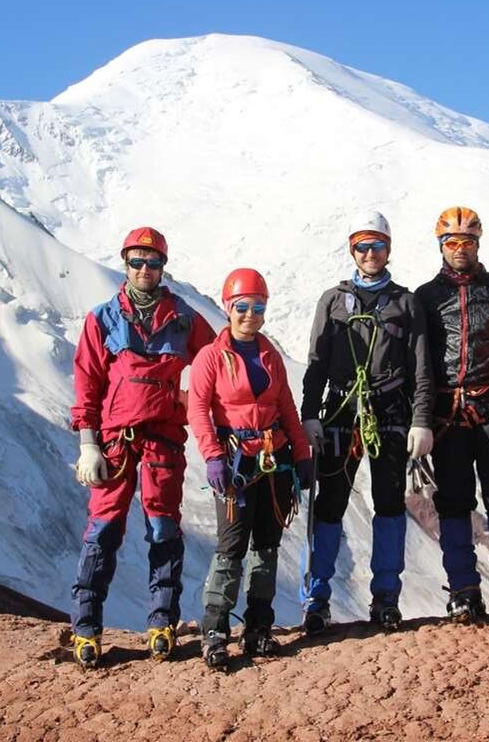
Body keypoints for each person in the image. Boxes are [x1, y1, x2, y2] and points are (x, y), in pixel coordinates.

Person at [68, 227, 216, 670]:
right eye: (137, 261)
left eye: (152, 262)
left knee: (163, 529)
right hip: (114, 441)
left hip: (163, 439)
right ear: (125, 264)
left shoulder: (184, 318)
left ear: (163, 267)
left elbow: (214, 362)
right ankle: (85, 628)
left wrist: (205, 407)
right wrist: (87, 443)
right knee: (104, 530)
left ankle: (162, 625)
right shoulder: (103, 319)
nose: (145, 269)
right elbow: (87, 383)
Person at [299, 210, 435, 633]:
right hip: (340, 412)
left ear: (388, 249)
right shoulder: (332, 301)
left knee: (390, 505)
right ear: (352, 251)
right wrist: (309, 413)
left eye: (377, 245)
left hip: (390, 414)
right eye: (363, 245)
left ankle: (386, 598)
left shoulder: (406, 302)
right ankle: (317, 599)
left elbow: (421, 368)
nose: (370, 252)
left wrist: (422, 419)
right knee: (330, 505)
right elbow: (316, 363)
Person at [187, 268, 314, 670]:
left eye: (258, 307)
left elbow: (286, 409)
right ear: (228, 308)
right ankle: (215, 630)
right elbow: (198, 409)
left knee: (267, 546)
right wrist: (212, 456)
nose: (250, 315)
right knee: (232, 547)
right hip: (235, 463)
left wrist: (302, 452)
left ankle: (259, 627)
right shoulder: (211, 356)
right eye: (242, 307)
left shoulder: (269, 354)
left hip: (274, 461)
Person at [415, 207, 489, 622]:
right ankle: (463, 586)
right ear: (441, 247)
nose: (460, 249)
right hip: (448, 415)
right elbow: (421, 362)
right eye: (452, 243)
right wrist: (421, 418)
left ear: (479, 246)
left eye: (467, 242)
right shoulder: (426, 298)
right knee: (453, 502)